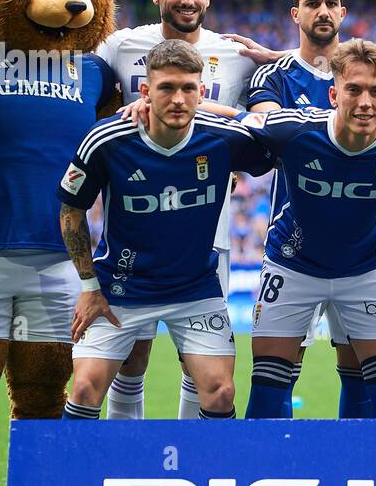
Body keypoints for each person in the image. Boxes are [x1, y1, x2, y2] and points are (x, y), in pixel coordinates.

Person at [216, 39, 376, 419]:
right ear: (334, 94)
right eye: (353, 89)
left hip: (366, 269)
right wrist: (157, 104)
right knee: (268, 390)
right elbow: (231, 121)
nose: (364, 102)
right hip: (292, 266)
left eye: (374, 91)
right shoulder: (293, 129)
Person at [58, 40, 275, 420]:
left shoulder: (224, 139)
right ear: (145, 91)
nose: (178, 99)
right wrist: (89, 287)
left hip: (194, 288)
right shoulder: (106, 140)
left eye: (189, 89)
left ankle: (205, 475)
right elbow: (71, 211)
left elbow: (275, 133)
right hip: (121, 288)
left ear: (202, 93)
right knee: (84, 387)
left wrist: (215, 112)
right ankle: (85, 479)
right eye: (166, 89)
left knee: (221, 391)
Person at [96, 0, 261, 419]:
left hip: (208, 233)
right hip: (133, 229)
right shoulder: (120, 47)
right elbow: (83, 97)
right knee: (131, 358)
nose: (187, 0)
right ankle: (126, 466)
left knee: (202, 366)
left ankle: (187, 463)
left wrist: (208, 111)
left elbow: (262, 123)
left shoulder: (236, 56)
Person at [244, 0, 371, 418]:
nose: (323, 11)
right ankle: (274, 461)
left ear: (344, 12)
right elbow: (272, 133)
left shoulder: (368, 72)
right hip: (293, 244)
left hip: (362, 247)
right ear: (296, 13)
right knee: (277, 367)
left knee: (361, 365)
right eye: (313, 3)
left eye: (331, 3)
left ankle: (357, 466)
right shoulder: (272, 77)